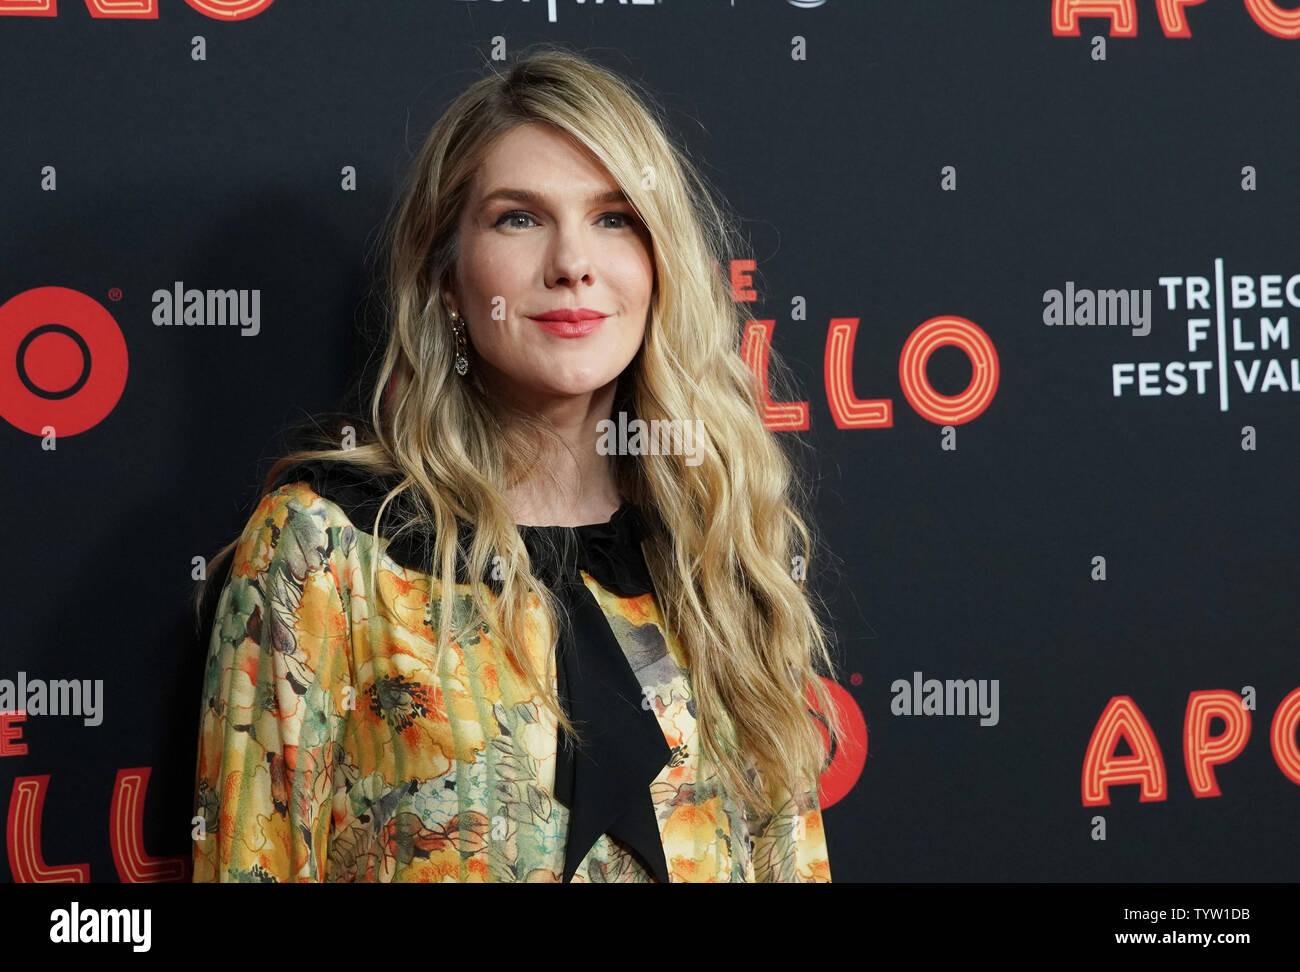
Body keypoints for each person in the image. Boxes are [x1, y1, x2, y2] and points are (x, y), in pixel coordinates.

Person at [190, 45, 845, 883]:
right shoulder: (332, 553)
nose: (572, 263)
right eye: (519, 218)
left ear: (659, 262)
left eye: (613, 218)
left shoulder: (714, 544)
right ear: (447, 280)